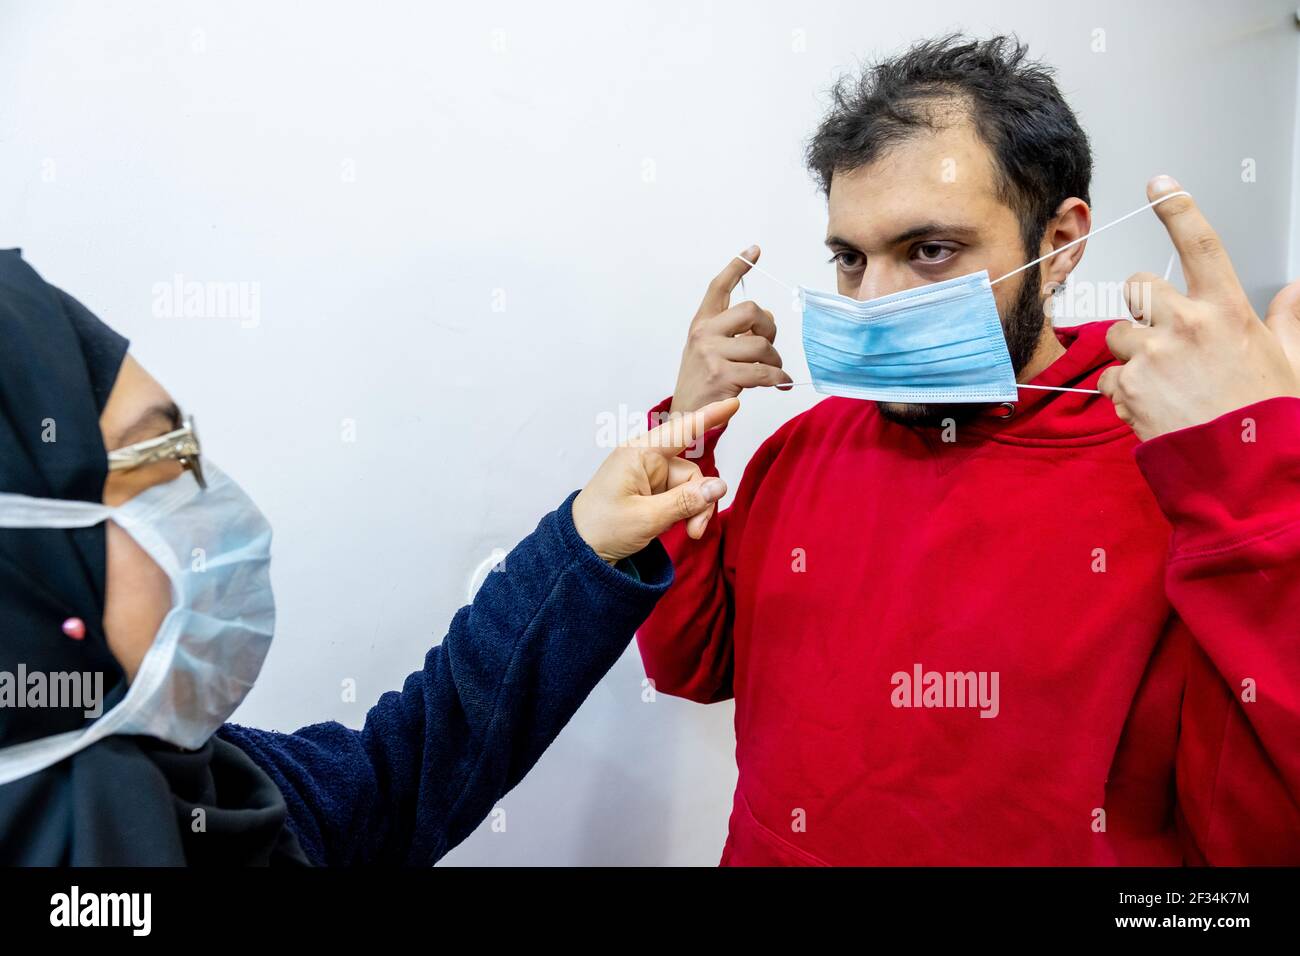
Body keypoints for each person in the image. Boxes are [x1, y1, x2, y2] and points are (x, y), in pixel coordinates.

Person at [637, 34, 1300, 865]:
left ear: (1061, 242)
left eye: (929, 251)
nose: (873, 302)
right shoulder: (805, 448)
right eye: (850, 259)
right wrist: (685, 440)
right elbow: (689, 663)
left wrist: (1259, 473)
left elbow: (1261, 835)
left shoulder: (1178, 463)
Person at [0, 247, 738, 865]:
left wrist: (582, 545)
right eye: (152, 466)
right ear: (26, 573)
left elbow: (396, 779)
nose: (209, 509)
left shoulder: (200, 783)